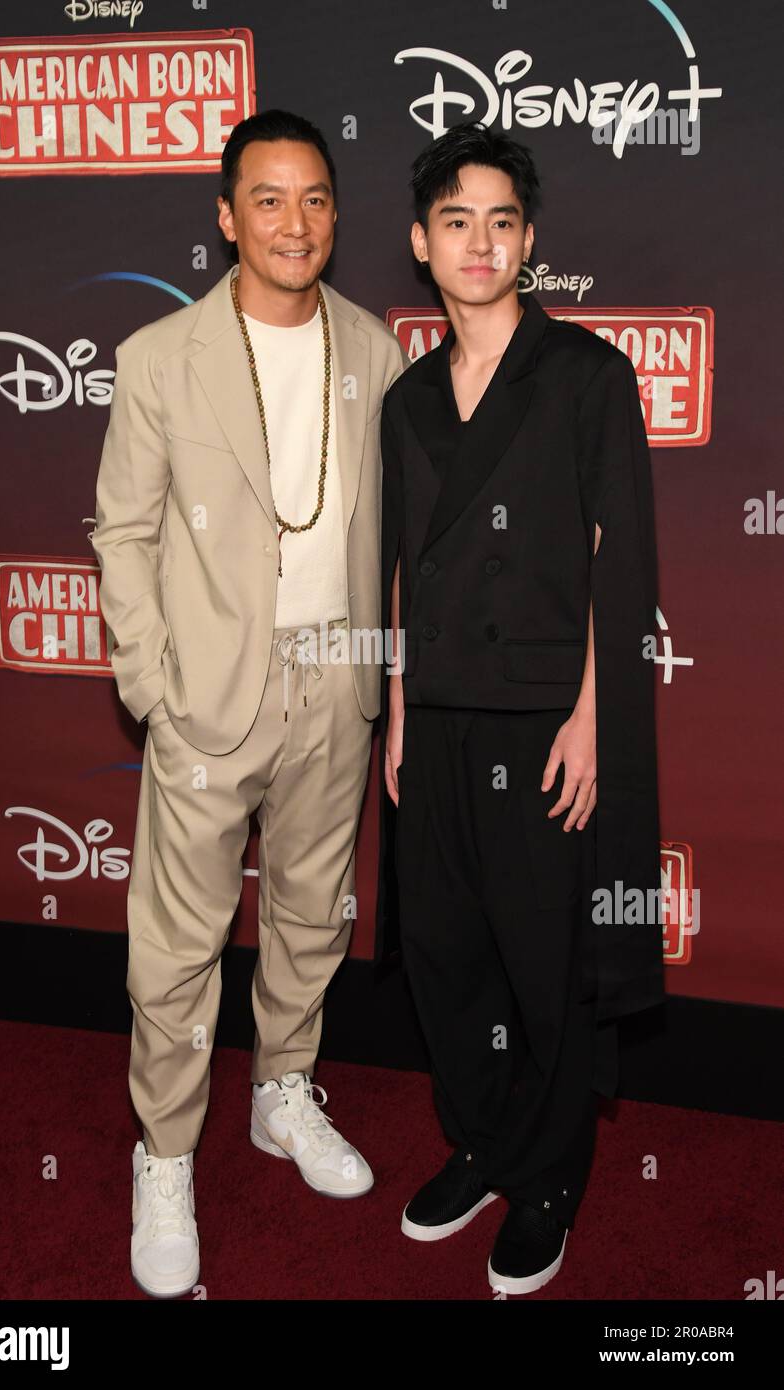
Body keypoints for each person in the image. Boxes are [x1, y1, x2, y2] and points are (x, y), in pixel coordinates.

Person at [92, 108, 408, 1298]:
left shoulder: (373, 350)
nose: (294, 221)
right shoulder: (156, 358)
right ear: (226, 219)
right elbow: (121, 529)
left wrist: (381, 673)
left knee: (313, 911)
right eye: (267, 199)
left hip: (339, 681)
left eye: (315, 198)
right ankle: (163, 1153)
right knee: (175, 949)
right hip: (209, 696)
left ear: (336, 213)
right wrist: (151, 685)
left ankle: (283, 1092)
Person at [377, 122, 664, 1296]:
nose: (478, 240)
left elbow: (618, 561)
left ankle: (545, 1176)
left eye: (500, 220)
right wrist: (395, 704)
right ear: (420, 243)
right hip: (435, 716)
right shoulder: (404, 399)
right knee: (445, 953)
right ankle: (483, 1140)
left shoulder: (585, 375)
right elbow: (401, 561)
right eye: (455, 220)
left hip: (545, 714)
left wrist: (593, 711)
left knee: (542, 962)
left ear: (527, 239)